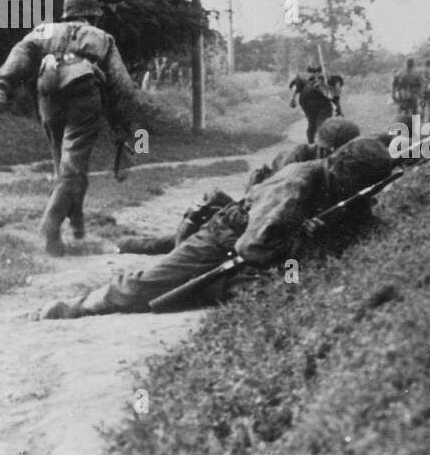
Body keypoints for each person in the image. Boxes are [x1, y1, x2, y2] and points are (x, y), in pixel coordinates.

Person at [39, 135, 394, 318]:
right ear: (347, 173)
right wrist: (302, 236)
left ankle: (213, 289)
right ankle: (72, 307)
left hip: (247, 246)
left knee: (269, 288)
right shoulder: (296, 186)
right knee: (145, 288)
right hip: (223, 239)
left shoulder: (332, 184)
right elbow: (250, 248)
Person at [0, 0, 136, 255]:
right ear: (92, 15)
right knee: (73, 165)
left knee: (65, 165)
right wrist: (122, 124)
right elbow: (122, 86)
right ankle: (51, 224)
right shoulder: (101, 38)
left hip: (48, 95)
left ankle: (76, 224)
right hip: (83, 97)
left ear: (67, 14)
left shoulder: (44, 31)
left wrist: (5, 82)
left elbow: (20, 51)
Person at [116, 117, 362, 255]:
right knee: (201, 239)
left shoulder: (327, 164)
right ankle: (128, 245)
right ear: (329, 147)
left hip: (271, 213)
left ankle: (129, 245)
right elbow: (276, 199)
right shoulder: (297, 158)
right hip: (257, 208)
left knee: (191, 239)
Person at [290, 65, 344, 144]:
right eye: (314, 72)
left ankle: (316, 143)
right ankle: (315, 144)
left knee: (317, 124)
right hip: (310, 101)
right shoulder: (305, 78)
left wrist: (338, 107)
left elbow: (335, 93)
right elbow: (296, 85)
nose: (316, 73)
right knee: (317, 124)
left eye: (317, 71)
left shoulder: (329, 78)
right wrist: (292, 98)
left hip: (317, 101)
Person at [391, 57, 424, 125]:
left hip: (402, 100)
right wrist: (421, 99)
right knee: (415, 121)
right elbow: (420, 90)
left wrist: (396, 100)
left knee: (400, 120)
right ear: (414, 64)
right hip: (413, 100)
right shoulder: (417, 74)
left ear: (405, 64)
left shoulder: (399, 74)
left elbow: (393, 89)